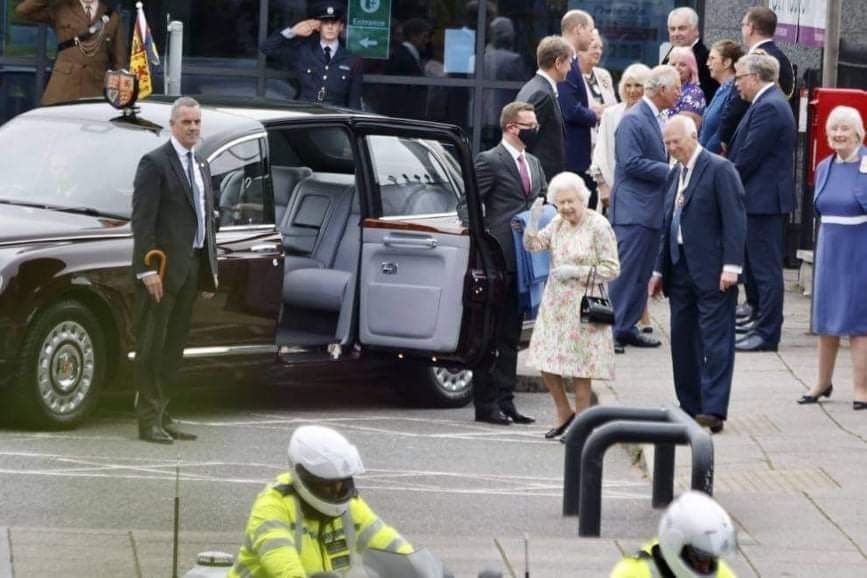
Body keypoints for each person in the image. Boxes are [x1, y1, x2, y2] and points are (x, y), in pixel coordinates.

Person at [649, 116, 746, 434]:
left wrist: (731, 265)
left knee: (716, 341)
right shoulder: (674, 173)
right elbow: (667, 221)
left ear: (693, 136)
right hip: (680, 268)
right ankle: (689, 404)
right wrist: (659, 269)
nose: (672, 148)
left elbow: (734, 219)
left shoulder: (719, 169)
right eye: (667, 143)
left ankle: (714, 409)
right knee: (682, 339)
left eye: (677, 141)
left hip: (714, 269)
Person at [131, 97, 218, 444]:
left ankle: (164, 413)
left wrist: (209, 270)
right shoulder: (154, 163)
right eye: (187, 123)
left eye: (197, 122)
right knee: (152, 345)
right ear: (173, 125)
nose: (193, 128)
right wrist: (145, 270)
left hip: (191, 268)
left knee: (174, 347)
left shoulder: (201, 165)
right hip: (161, 271)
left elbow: (206, 220)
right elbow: (143, 220)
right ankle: (147, 419)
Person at [228, 425, 413, 577]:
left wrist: (416, 568)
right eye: (328, 484)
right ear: (305, 477)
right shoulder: (272, 506)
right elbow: (283, 567)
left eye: (342, 483)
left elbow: (387, 541)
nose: (337, 491)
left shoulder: (350, 505)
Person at [462, 101, 546, 426]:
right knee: (490, 334)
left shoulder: (535, 163)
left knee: (511, 334)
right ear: (512, 126)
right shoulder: (490, 161)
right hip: (498, 259)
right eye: (530, 124)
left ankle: (507, 400)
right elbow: (467, 204)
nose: (535, 129)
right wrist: (481, 245)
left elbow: (538, 202)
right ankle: (486, 404)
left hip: (526, 262)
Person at [523, 173, 619, 438]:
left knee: (581, 368)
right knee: (545, 359)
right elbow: (534, 245)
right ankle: (564, 412)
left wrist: (575, 271)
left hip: (584, 305)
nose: (565, 208)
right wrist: (531, 223)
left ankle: (582, 425)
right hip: (556, 304)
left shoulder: (598, 225)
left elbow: (612, 269)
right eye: (560, 202)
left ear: (582, 198)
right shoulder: (557, 223)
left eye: (570, 202)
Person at [797, 106, 867, 411]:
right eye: (834, 129)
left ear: (858, 134)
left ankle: (862, 389)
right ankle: (821, 382)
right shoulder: (825, 165)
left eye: (845, 129)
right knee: (825, 319)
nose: (839, 134)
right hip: (829, 248)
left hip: (859, 249)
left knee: (858, 321)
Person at [607, 65, 681, 353]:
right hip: (633, 211)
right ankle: (611, 330)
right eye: (675, 88)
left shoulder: (652, 116)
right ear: (661, 89)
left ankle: (626, 327)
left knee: (641, 275)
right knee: (626, 273)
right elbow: (630, 162)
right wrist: (672, 170)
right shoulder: (634, 119)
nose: (679, 93)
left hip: (648, 210)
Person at [728, 53, 796, 353]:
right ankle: (760, 321)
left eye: (740, 77)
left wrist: (723, 180)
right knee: (758, 268)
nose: (737, 84)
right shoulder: (766, 103)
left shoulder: (770, 106)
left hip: (764, 201)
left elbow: (748, 155)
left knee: (766, 270)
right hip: (760, 199)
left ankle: (768, 333)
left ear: (755, 77)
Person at [15, 0, 127, 105]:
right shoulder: (62, 8)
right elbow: (23, 12)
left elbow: (120, 63)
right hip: (62, 89)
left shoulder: (112, 17)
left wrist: (118, 98)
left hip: (95, 92)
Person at [719, 6, 795, 153]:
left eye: (743, 25)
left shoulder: (757, 58)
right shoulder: (782, 57)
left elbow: (738, 102)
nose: (742, 30)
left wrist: (724, 137)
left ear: (750, 28)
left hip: (748, 136)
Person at [610, 491, 737, 578]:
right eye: (699, 559)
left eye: (710, 559)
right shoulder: (632, 574)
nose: (705, 568)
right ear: (676, 544)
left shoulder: (719, 572)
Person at [260, 2, 363, 109]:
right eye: (325, 22)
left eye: (334, 23)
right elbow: (267, 48)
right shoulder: (303, 52)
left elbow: (354, 102)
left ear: (341, 27)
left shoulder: (352, 61)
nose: (330, 27)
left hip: (334, 119)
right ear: (318, 27)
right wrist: (293, 31)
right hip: (305, 116)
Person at [590, 64, 651, 212]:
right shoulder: (610, 114)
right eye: (628, 85)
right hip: (612, 191)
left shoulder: (656, 116)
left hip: (644, 194)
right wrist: (603, 186)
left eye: (638, 85)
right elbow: (599, 153)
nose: (632, 90)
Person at [516, 35, 573, 182]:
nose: (570, 68)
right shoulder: (542, 94)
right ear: (558, 63)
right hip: (540, 181)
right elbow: (522, 140)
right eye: (568, 62)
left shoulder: (533, 87)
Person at [558, 10, 598, 209]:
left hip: (575, 157)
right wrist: (595, 115)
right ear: (578, 30)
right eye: (590, 31)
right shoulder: (563, 59)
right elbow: (569, 108)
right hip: (570, 157)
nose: (592, 37)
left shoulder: (571, 60)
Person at [661, 7, 718, 104]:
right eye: (672, 29)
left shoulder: (707, 60)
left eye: (682, 28)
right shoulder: (669, 55)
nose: (676, 33)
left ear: (695, 30)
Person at [699, 40, 744, 155]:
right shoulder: (721, 89)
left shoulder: (734, 92)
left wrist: (704, 156)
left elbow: (722, 131)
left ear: (727, 62)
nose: (707, 64)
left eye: (712, 59)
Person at [666, 47, 706, 129]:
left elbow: (682, 128)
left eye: (682, 64)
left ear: (691, 68)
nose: (676, 68)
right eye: (673, 64)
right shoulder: (666, 90)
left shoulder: (694, 93)